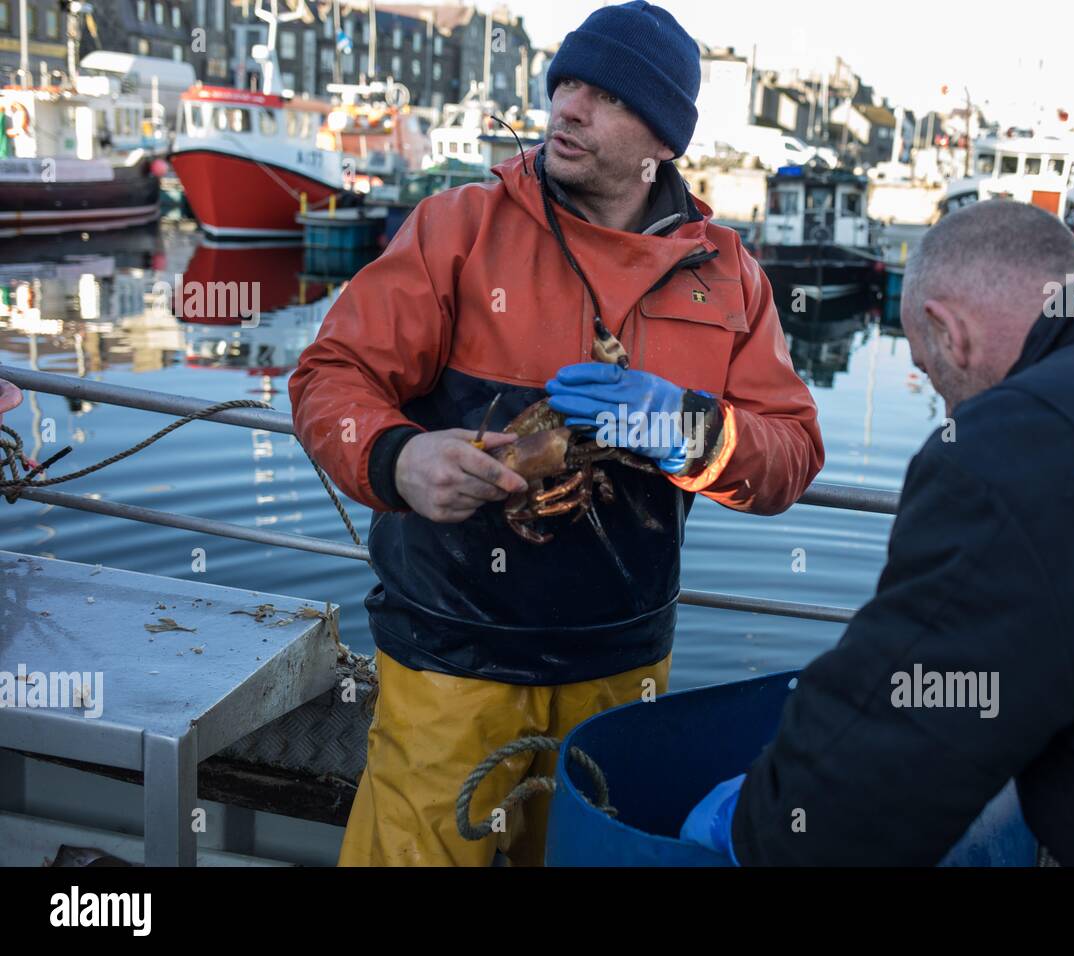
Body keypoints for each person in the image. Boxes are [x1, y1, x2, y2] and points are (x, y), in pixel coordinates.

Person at [289, 0, 824, 866]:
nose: (567, 106)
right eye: (566, 81)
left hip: (622, 670)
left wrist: (686, 428)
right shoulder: (455, 227)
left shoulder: (726, 275)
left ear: (663, 139)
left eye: (606, 95)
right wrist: (399, 457)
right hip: (448, 654)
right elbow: (328, 376)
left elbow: (792, 454)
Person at [682, 200, 1074, 866]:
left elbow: (878, 768)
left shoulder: (1014, 447)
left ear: (950, 333)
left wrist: (761, 826)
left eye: (929, 368)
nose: (947, 408)